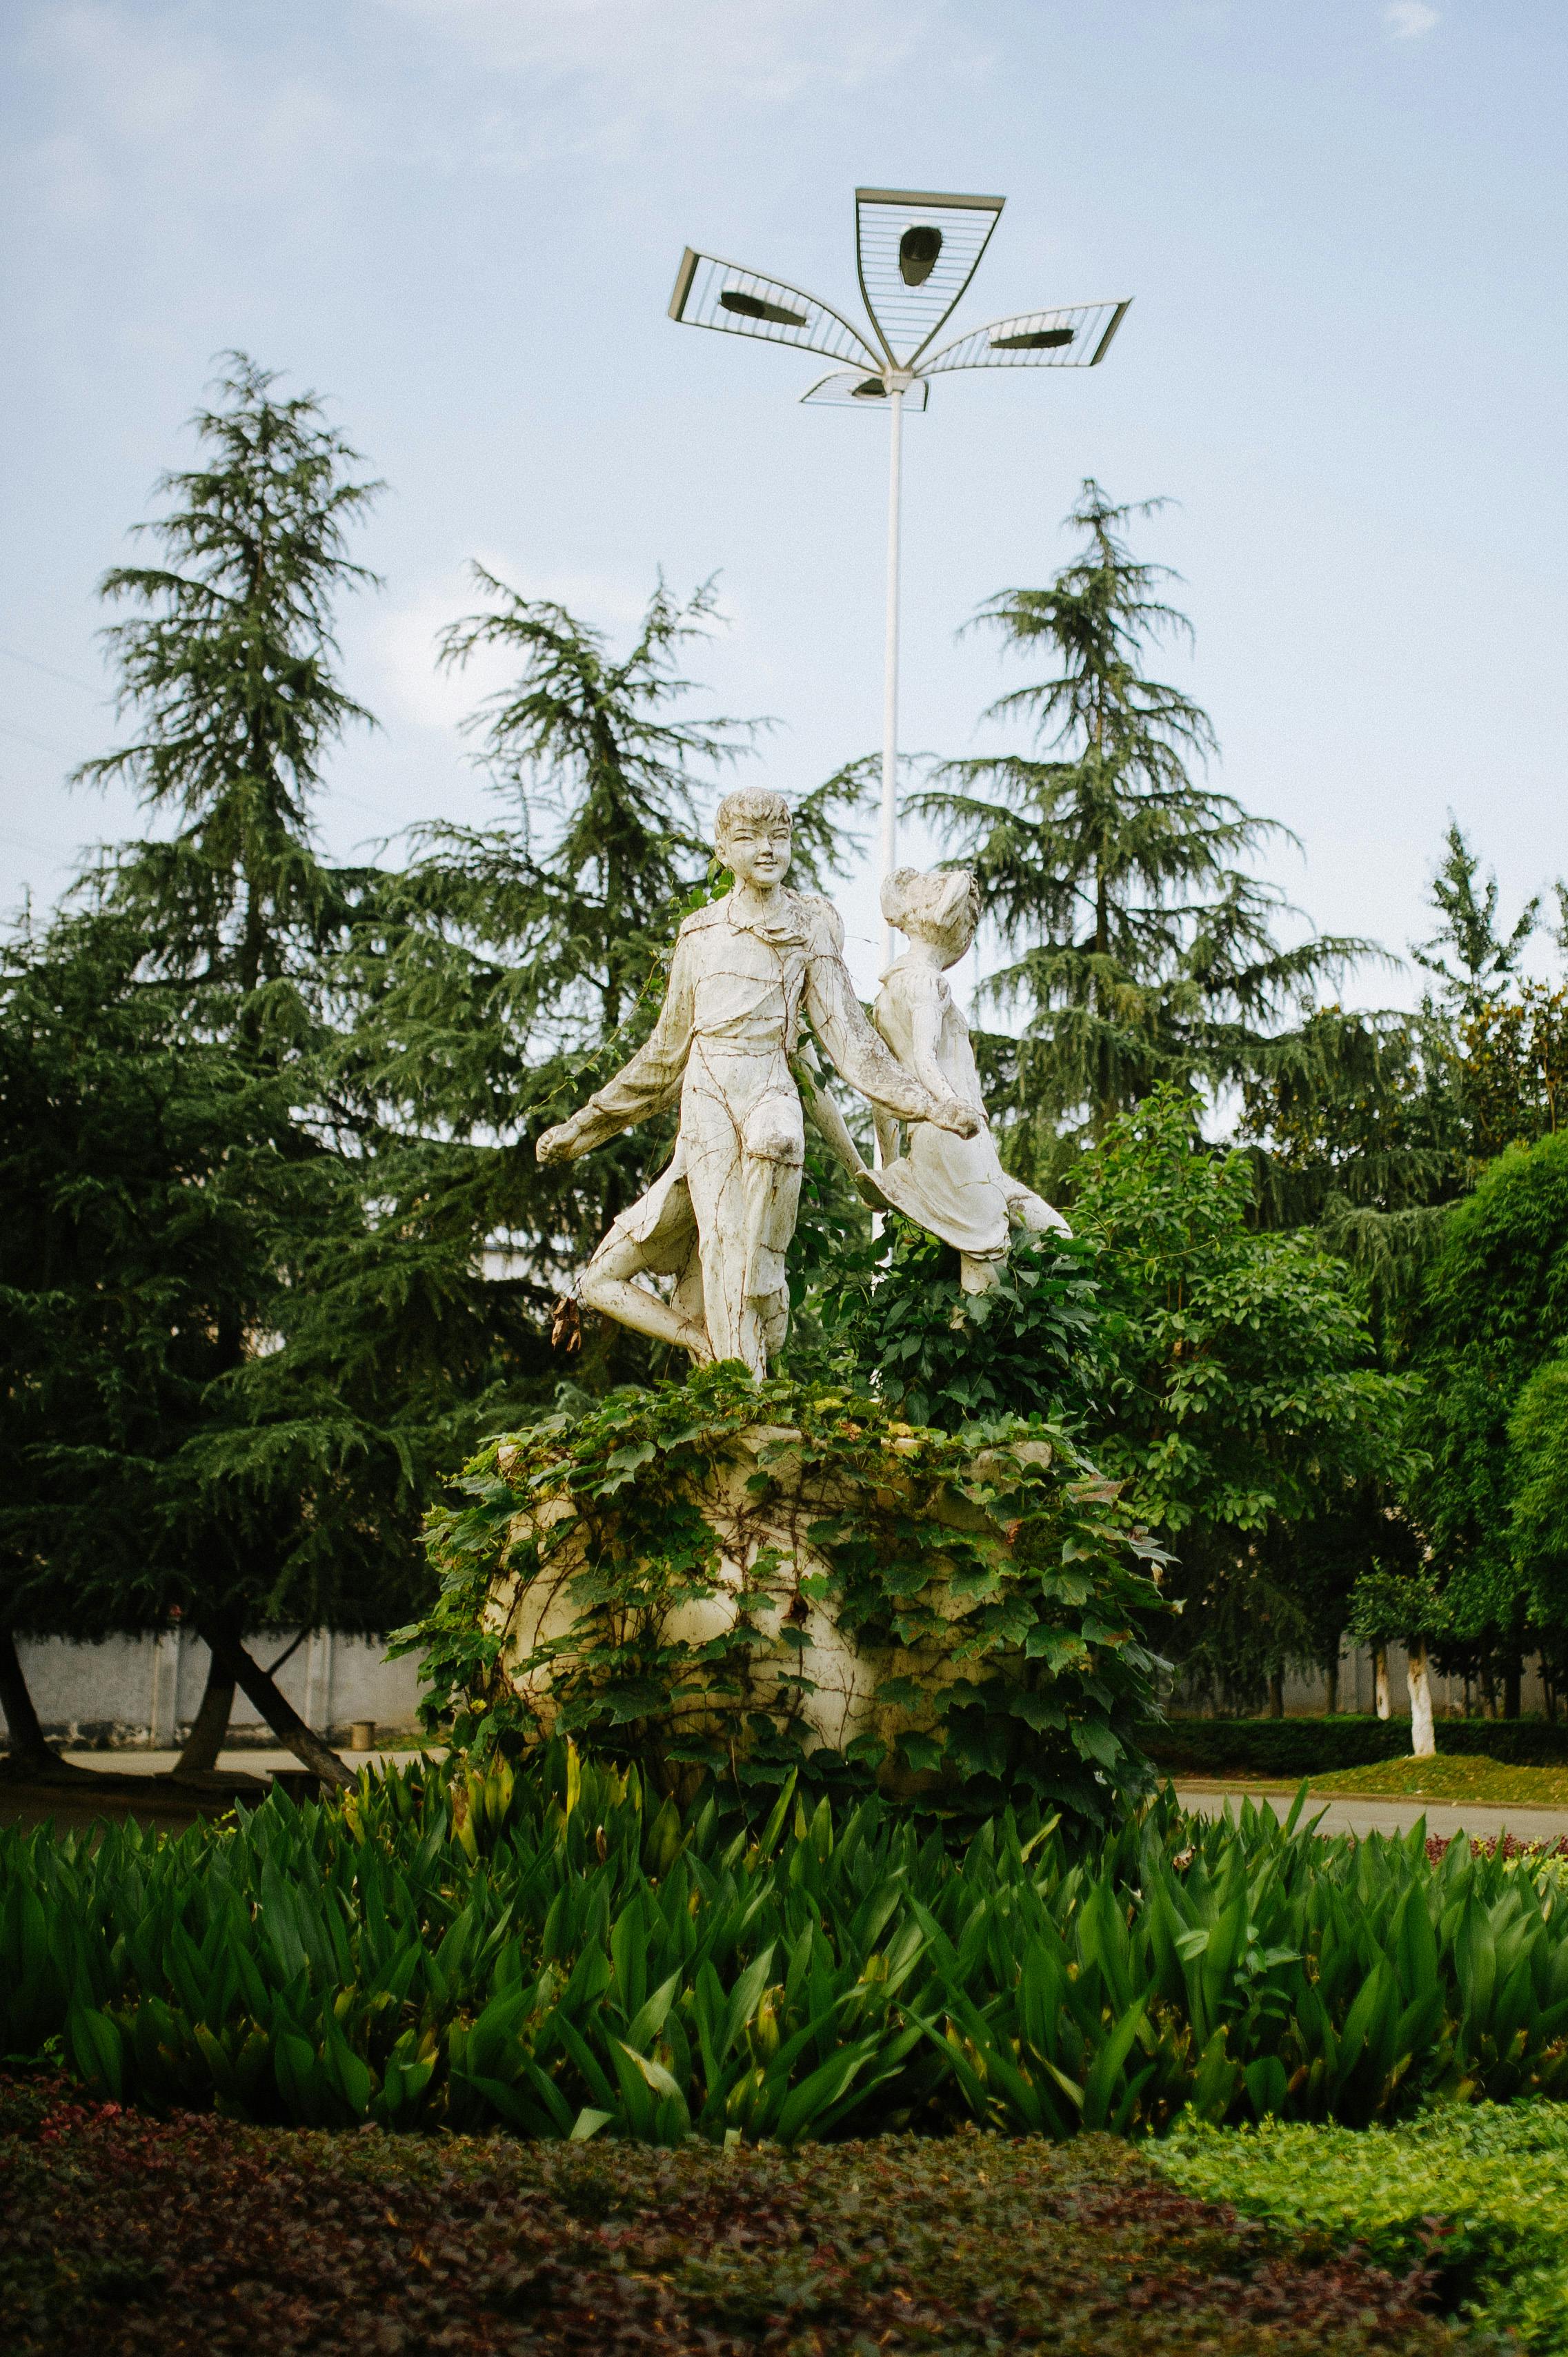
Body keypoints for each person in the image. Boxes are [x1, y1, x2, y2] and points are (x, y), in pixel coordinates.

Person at [536, 789, 980, 1374]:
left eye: (778, 838)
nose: (767, 850)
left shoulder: (809, 927)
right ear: (722, 851)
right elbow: (664, 1053)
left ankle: (766, 1280)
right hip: (709, 1089)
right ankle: (738, 1383)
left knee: (780, 1143)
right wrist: (584, 1126)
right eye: (748, 838)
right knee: (721, 1238)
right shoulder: (699, 934)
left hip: (768, 1075)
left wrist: (928, 1104)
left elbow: (849, 1037)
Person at [871, 865, 1069, 1292]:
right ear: (955, 925)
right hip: (955, 1134)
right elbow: (925, 1062)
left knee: (1048, 1236)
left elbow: (882, 1093)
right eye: (972, 922)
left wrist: (891, 1165)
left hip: (945, 1138)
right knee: (992, 1263)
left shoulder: (887, 994)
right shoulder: (930, 984)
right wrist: (952, 1110)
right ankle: (974, 1353)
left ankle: (976, 1344)